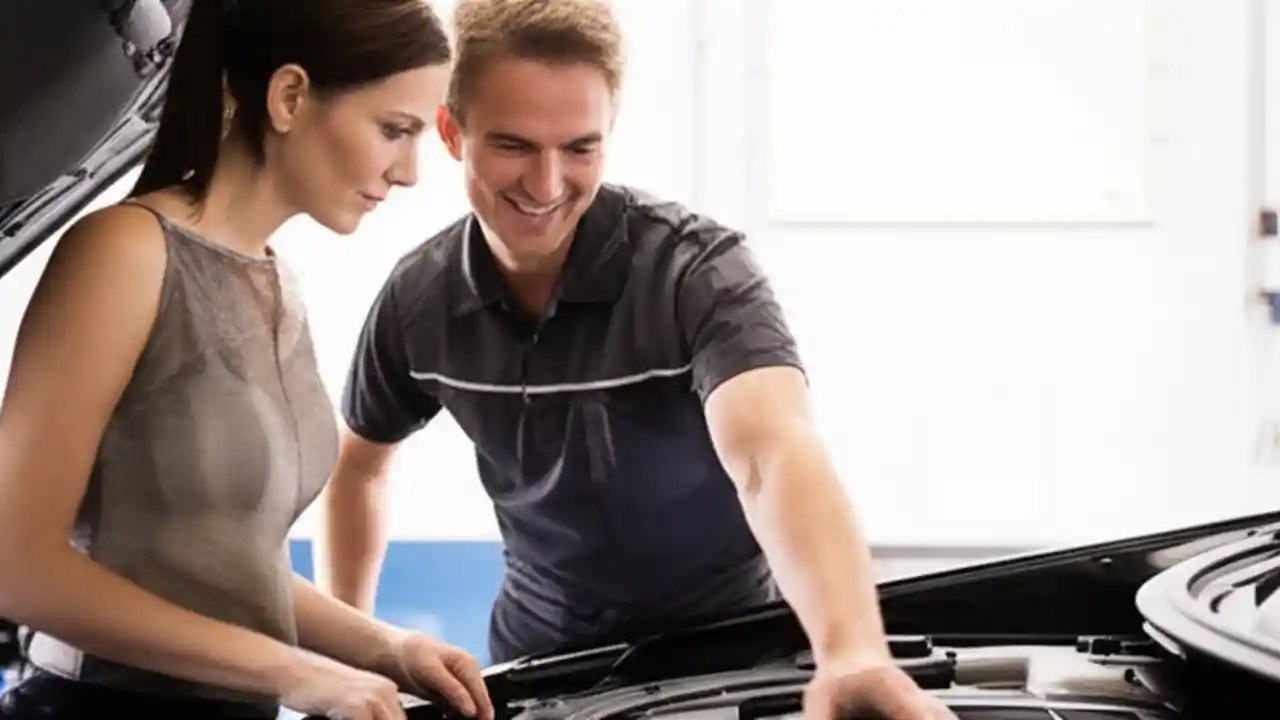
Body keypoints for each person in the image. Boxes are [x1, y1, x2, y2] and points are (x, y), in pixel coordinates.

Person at [319, 0, 954, 718]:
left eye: (580, 148)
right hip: (540, 664)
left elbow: (772, 452)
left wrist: (852, 650)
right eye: (514, 146)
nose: (548, 183)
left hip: (728, 655)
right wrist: (358, 651)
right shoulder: (419, 297)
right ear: (450, 131)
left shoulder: (698, 272)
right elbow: (360, 465)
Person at [0, 1, 497, 719]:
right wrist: (298, 673)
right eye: (395, 130)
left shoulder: (275, 282)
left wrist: (387, 648)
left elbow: (224, 565)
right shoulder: (124, 253)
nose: (411, 172)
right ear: (290, 96)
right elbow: (18, 564)